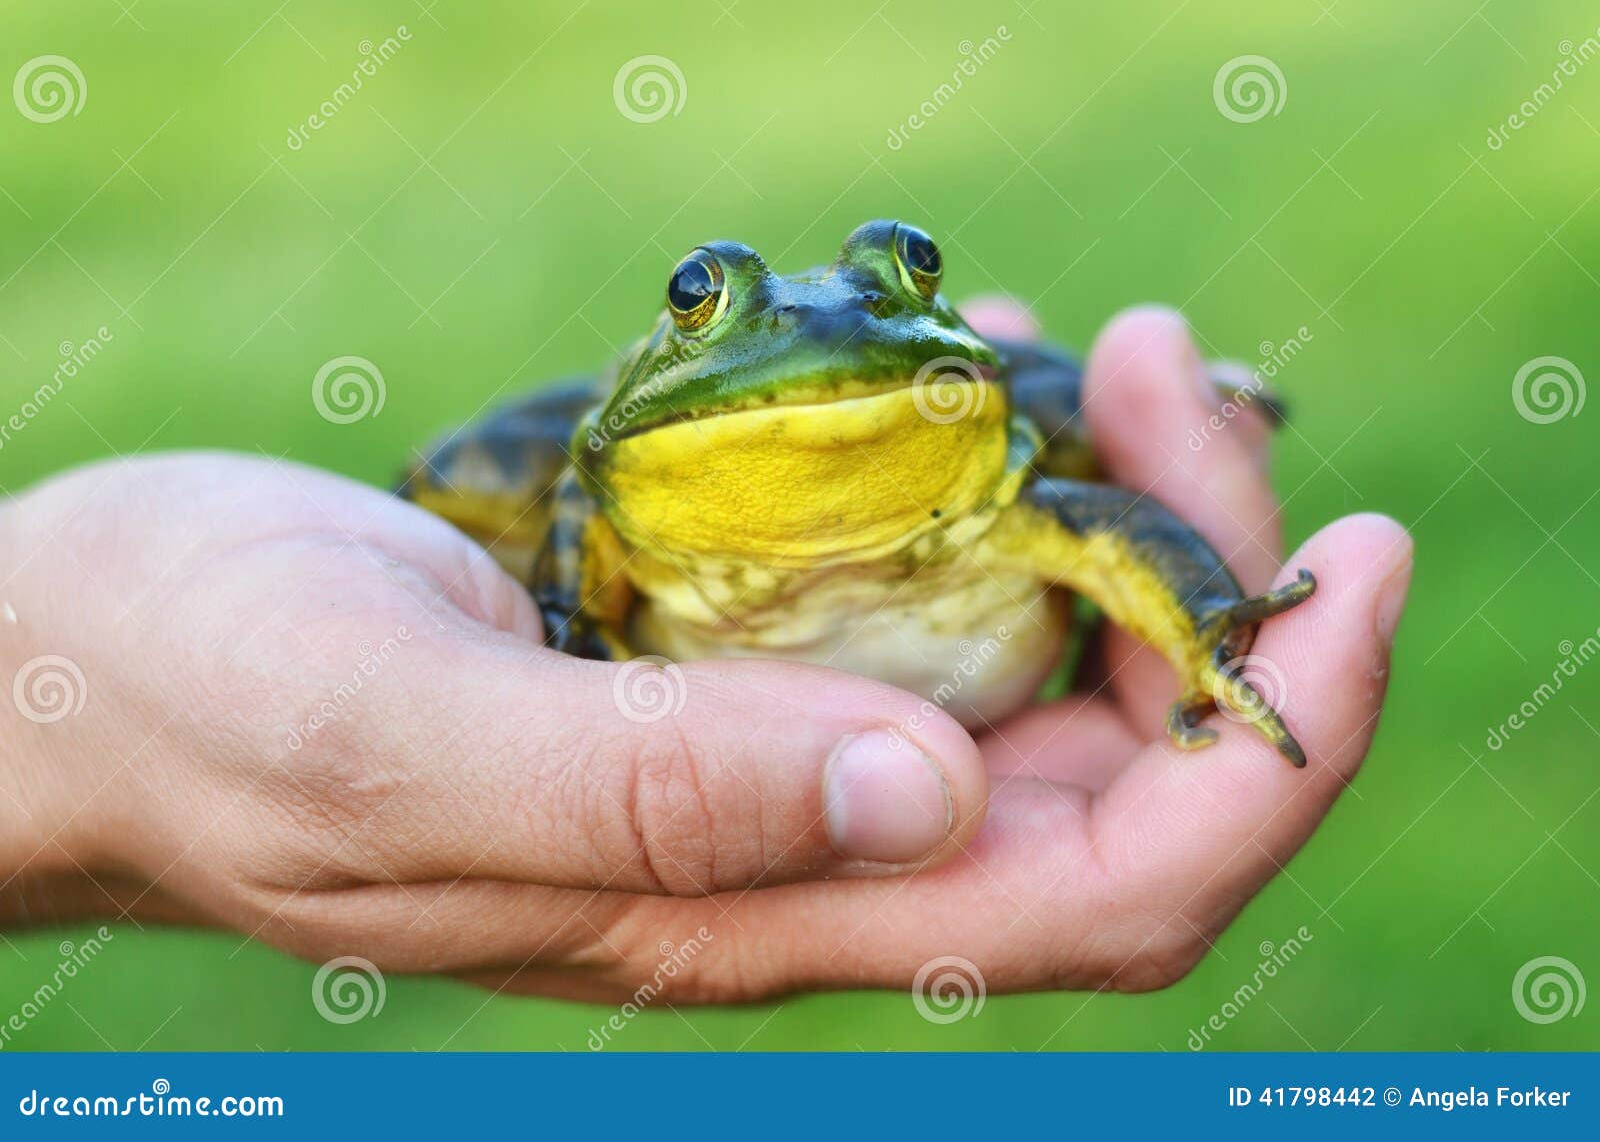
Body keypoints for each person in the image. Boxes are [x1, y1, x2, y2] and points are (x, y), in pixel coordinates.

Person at [0, 304, 1411, 1003]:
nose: (819, 339)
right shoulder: (600, 504)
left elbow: (1116, 535)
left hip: (954, 548)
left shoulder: (1016, 486)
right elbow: (572, 526)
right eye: (707, 300)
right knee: (463, 465)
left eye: (899, 283)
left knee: (1104, 399)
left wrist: (1214, 643)